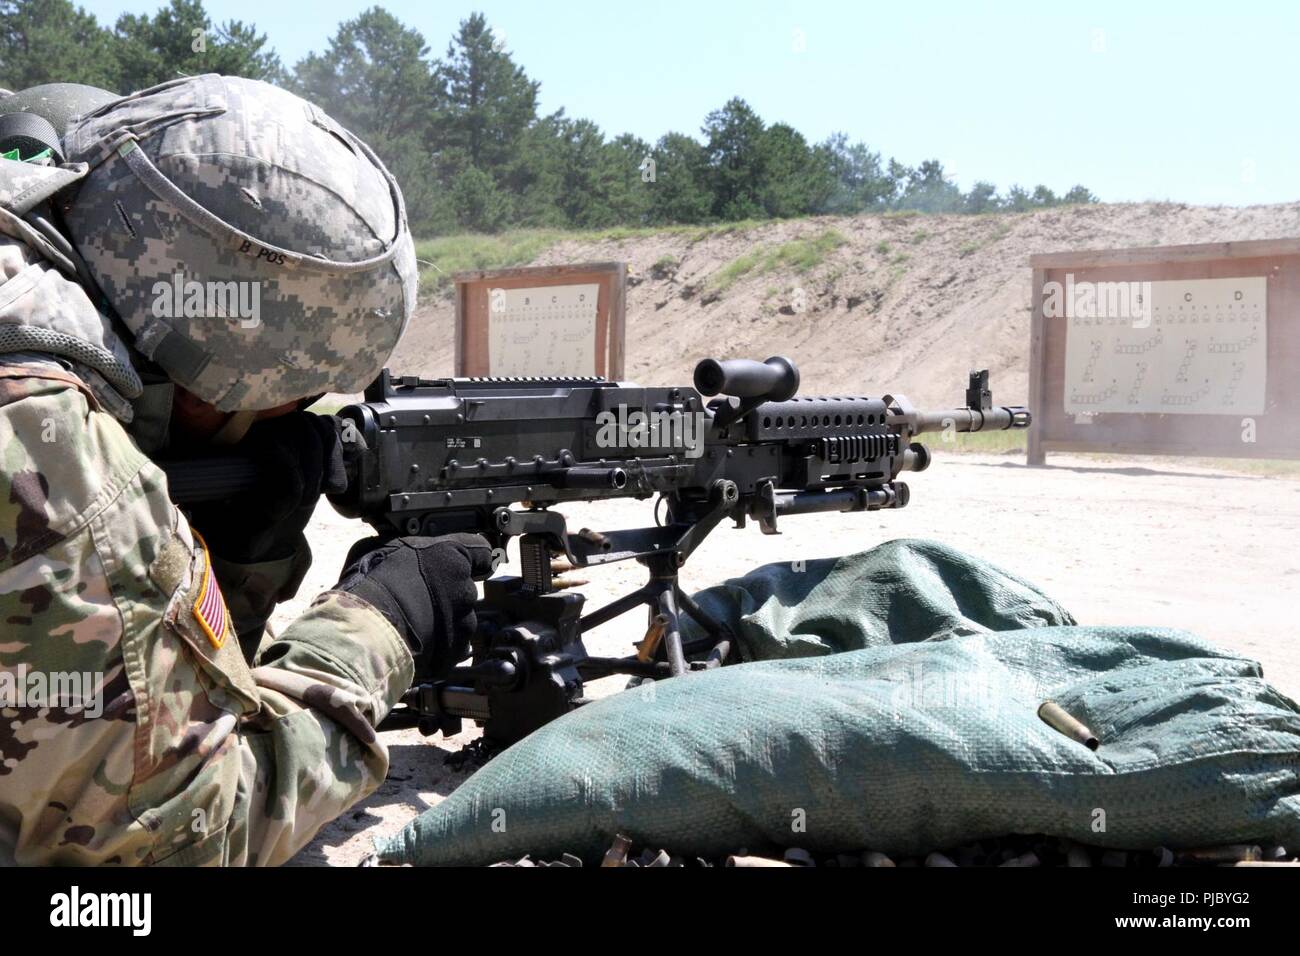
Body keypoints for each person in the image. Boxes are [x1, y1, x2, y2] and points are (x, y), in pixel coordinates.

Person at [0, 74, 491, 865]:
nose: (290, 421)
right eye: (288, 399)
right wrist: (382, 625)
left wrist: (233, 559)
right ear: (202, 377)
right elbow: (164, 853)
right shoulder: (47, 453)